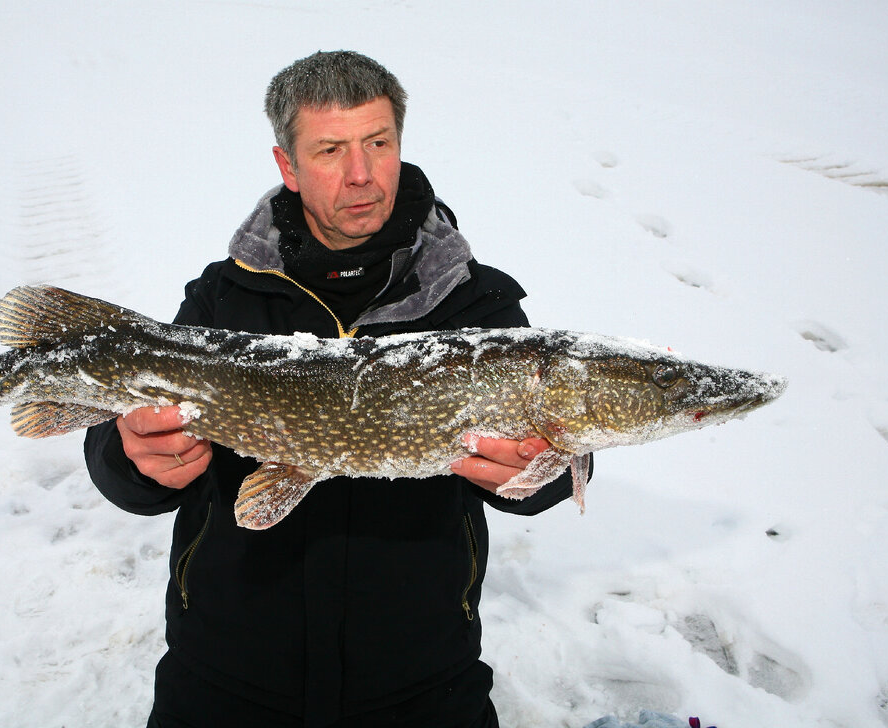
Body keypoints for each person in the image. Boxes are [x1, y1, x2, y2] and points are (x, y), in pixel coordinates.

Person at [85, 50, 591, 728]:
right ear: (287, 166)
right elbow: (121, 458)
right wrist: (131, 457)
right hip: (224, 680)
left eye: (378, 144)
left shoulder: (474, 300)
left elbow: (557, 447)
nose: (362, 175)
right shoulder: (224, 296)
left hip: (422, 685)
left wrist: (551, 468)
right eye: (330, 150)